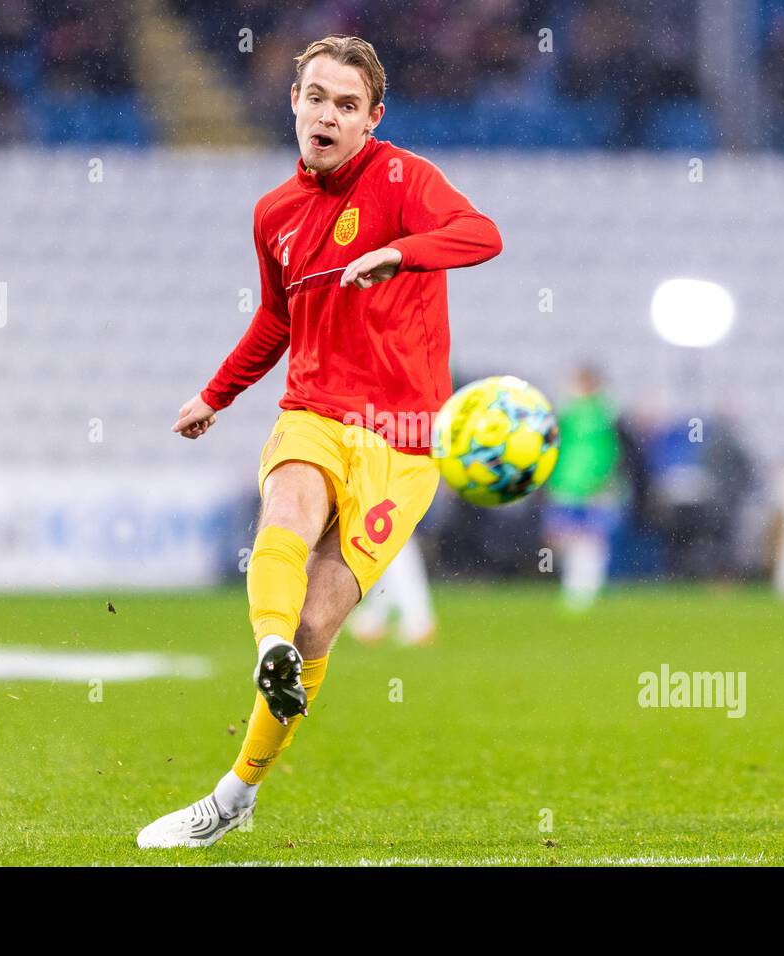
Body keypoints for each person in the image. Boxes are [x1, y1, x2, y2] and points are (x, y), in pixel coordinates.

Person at [137, 35, 502, 848]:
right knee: (288, 510)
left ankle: (236, 794)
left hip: (404, 443)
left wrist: (400, 255)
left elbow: (482, 236)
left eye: (347, 104)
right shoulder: (274, 214)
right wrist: (216, 394)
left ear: (373, 119)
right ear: (292, 102)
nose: (327, 115)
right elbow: (276, 317)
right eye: (316, 98)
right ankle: (269, 648)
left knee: (319, 624)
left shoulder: (405, 180)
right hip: (315, 411)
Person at [542, 366, 619, 612]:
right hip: (568, 484)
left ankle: (582, 589)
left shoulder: (598, 413)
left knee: (588, 539)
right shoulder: (575, 413)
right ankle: (579, 586)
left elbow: (608, 450)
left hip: (587, 486)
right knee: (569, 539)